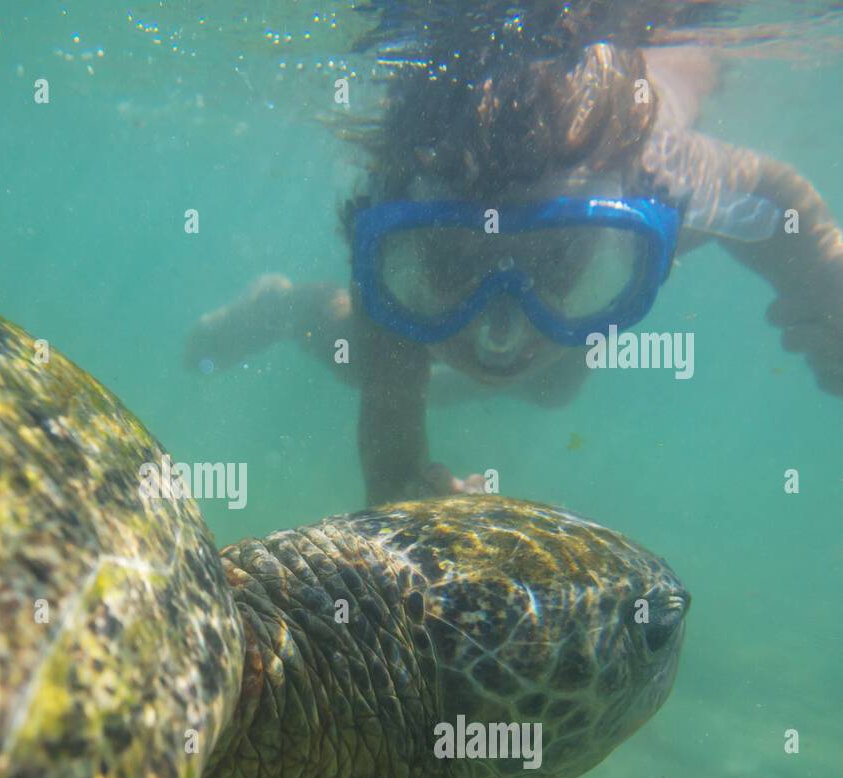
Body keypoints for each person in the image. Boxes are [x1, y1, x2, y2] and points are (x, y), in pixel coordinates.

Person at [184, 37, 843, 504]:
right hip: (430, 254)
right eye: (448, 261)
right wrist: (398, 470)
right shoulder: (406, 212)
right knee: (380, 362)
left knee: (548, 387)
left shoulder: (664, 178)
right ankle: (286, 305)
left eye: (558, 260)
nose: (499, 330)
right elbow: (391, 421)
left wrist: (828, 287)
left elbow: (778, 196)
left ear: (651, 222)